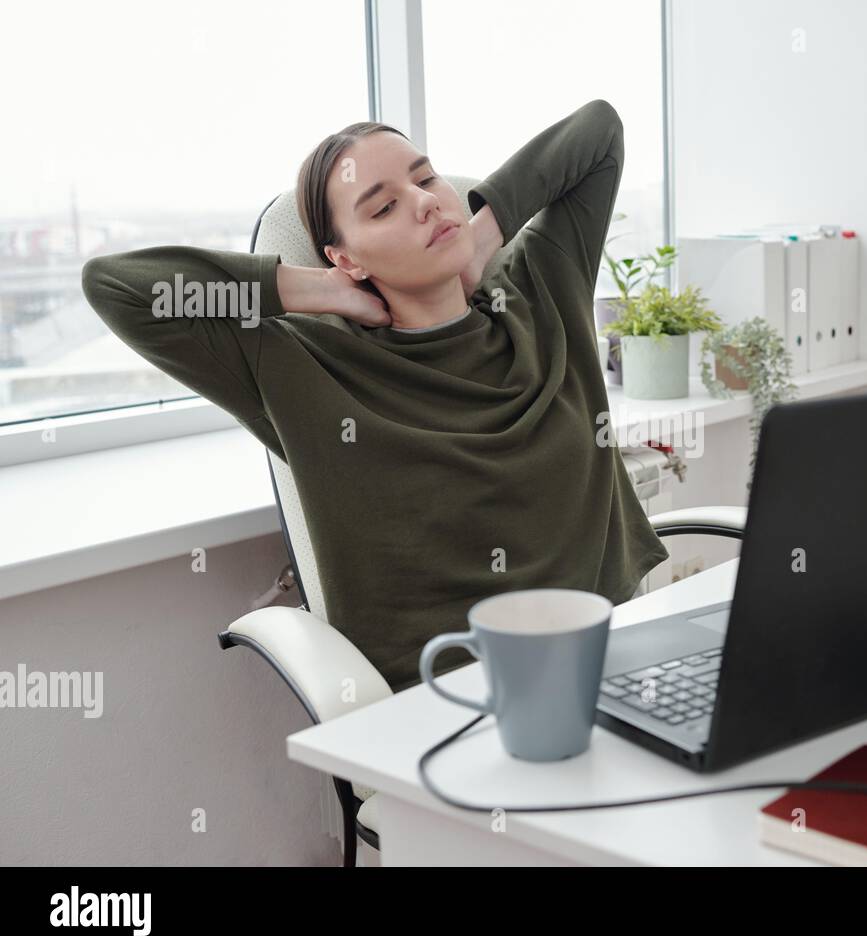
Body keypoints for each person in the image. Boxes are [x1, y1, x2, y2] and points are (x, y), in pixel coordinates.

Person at [81, 99, 669, 692]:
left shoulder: (540, 287)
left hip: (617, 658)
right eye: (385, 206)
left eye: (425, 178)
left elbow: (599, 130)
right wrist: (325, 291)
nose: (424, 203)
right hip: (450, 705)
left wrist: (482, 233)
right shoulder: (305, 368)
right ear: (345, 256)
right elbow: (118, 289)